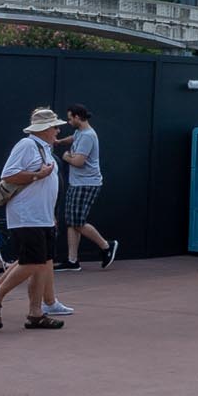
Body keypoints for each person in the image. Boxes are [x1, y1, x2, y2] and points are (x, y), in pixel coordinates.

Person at [0, 108, 66, 330]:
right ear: (45, 129)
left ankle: (35, 313)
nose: (57, 130)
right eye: (55, 127)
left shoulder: (43, 148)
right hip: (27, 216)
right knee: (32, 262)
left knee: (39, 264)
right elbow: (8, 174)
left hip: (41, 216)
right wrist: (38, 174)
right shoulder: (27, 145)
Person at [58, 103, 117, 271]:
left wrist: (65, 156)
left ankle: (106, 246)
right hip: (77, 183)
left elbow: (78, 161)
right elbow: (72, 138)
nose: (68, 122)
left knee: (77, 222)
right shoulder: (80, 133)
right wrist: (59, 141)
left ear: (77, 117)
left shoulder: (88, 136)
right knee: (71, 221)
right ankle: (72, 260)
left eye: (70, 118)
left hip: (86, 184)